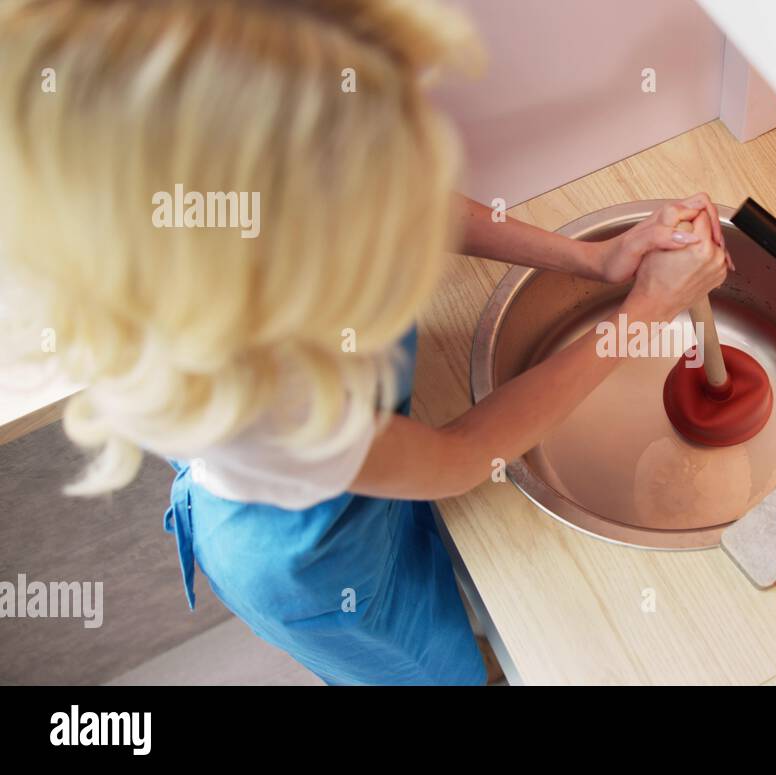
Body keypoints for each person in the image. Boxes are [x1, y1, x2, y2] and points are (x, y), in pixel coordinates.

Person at [0, 0, 729, 684]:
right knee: (431, 668)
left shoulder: (254, 163)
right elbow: (458, 458)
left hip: (367, 455)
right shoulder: (251, 391)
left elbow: (395, 197)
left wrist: (591, 260)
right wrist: (643, 311)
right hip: (313, 559)